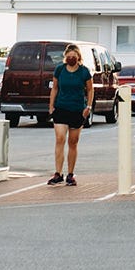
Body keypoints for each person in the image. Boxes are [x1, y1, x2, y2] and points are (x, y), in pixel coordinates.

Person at [47, 44, 92, 188]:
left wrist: (88, 107)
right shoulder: (60, 69)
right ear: (65, 56)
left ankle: (70, 174)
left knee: (73, 141)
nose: (71, 58)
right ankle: (58, 173)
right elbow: (55, 88)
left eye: (74, 56)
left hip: (77, 109)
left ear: (78, 57)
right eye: (69, 56)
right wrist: (51, 106)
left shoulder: (84, 71)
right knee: (60, 138)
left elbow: (90, 90)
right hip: (61, 108)